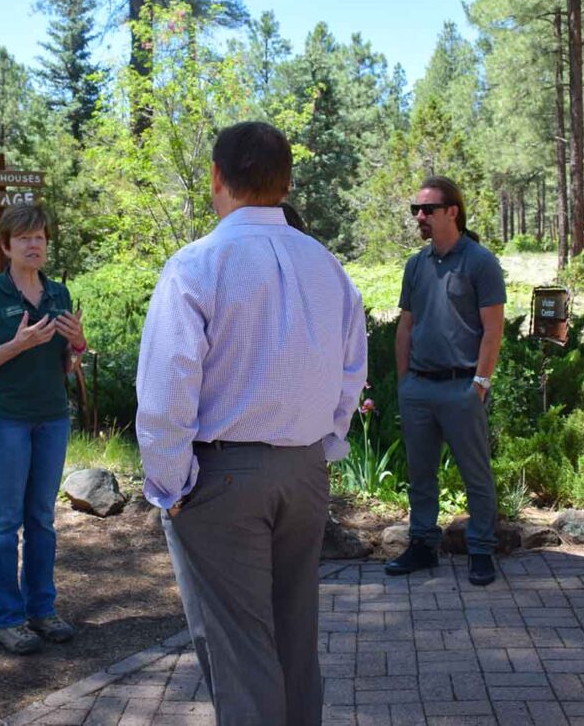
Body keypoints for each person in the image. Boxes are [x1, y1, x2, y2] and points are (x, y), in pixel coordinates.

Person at [135, 121, 367, 726]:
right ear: (287, 183)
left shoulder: (196, 265)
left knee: (241, 650)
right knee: (294, 636)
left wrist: (170, 485)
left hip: (220, 478)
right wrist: (326, 442)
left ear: (217, 178)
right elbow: (350, 371)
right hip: (304, 470)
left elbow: (166, 391)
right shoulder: (327, 265)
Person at [0, 203, 87, 654]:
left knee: (42, 521)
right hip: (3, 421)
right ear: (6, 246)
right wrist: (15, 345)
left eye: (40, 237)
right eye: (25, 238)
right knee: (5, 522)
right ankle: (6, 619)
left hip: (51, 418)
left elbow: (67, 367)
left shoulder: (59, 294)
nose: (35, 245)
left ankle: (42, 610)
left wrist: (76, 345)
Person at [384, 175, 506, 587]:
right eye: (416, 210)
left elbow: (493, 329)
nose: (420, 216)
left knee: (476, 474)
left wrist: (481, 382)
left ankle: (481, 550)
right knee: (420, 474)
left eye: (428, 209)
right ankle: (422, 545)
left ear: (452, 211)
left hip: (462, 387)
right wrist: (405, 382)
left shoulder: (480, 262)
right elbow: (406, 325)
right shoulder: (416, 264)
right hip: (419, 386)